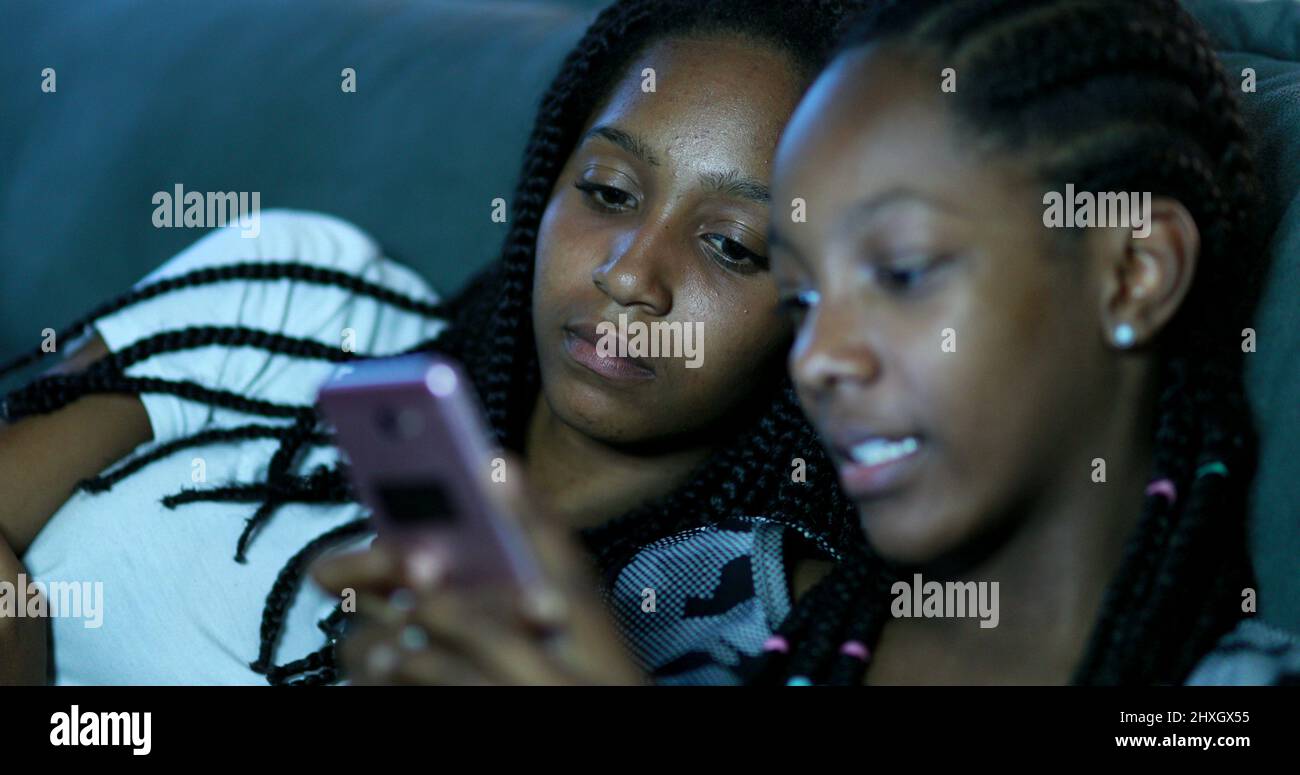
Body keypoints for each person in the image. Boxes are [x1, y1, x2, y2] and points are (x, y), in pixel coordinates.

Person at [0, 0, 867, 685]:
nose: (631, 274)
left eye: (731, 246)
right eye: (607, 190)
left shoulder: (776, 626)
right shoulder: (302, 292)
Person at [754, 0, 1280, 685]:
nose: (814, 358)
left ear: (1132, 274)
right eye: (800, 299)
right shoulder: (724, 617)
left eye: (903, 273)